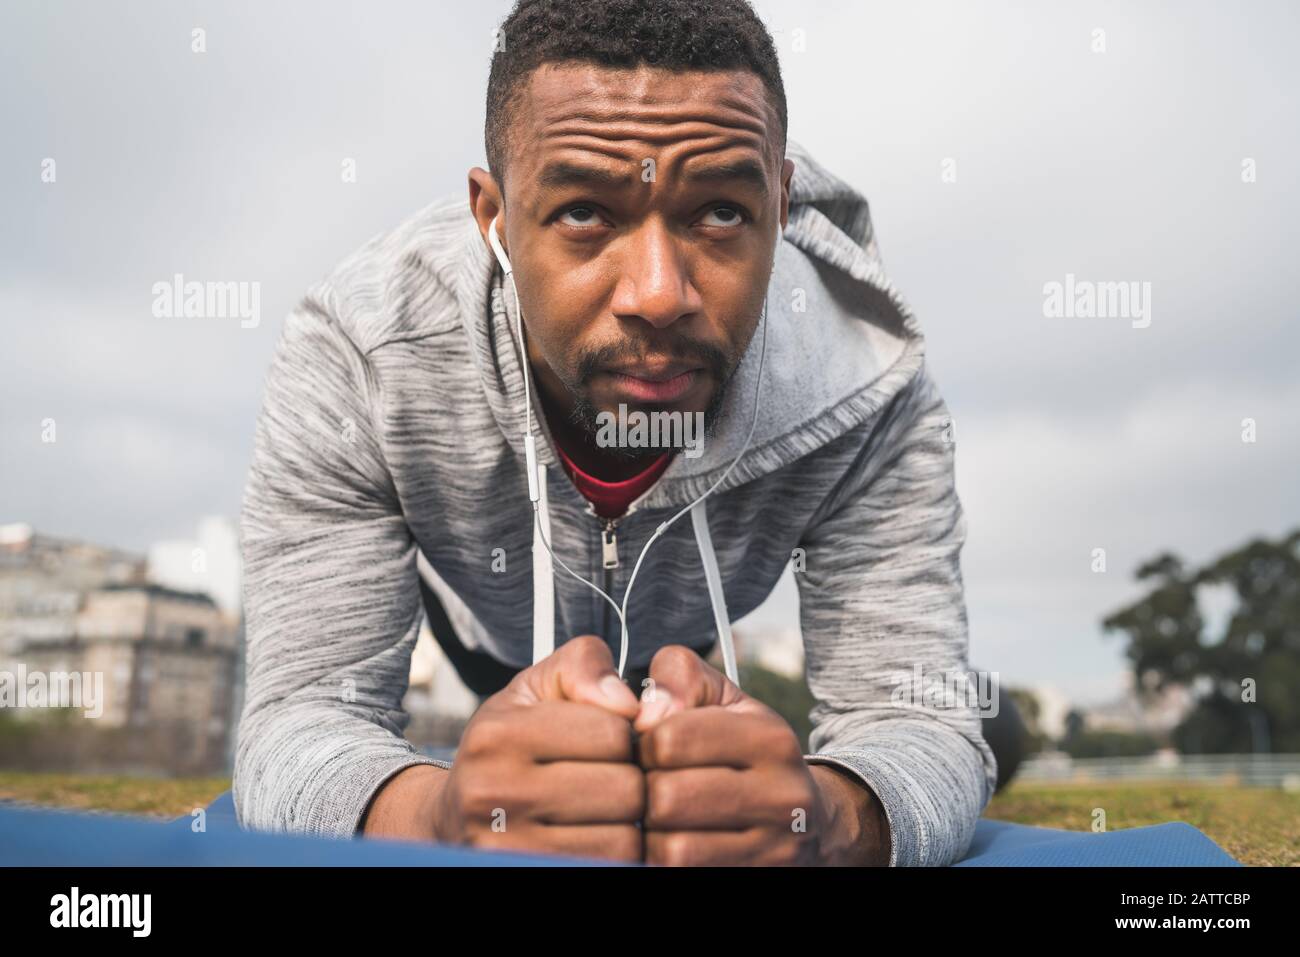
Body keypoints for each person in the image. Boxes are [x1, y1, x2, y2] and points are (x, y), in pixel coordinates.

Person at [232, 0, 998, 866]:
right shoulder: (360, 360)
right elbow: (296, 720)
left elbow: (917, 718)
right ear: (494, 217)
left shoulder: (870, 383)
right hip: (488, 629)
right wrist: (441, 815)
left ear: (779, 203)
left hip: (690, 636)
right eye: (585, 214)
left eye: (718, 212)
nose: (659, 293)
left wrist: (823, 816)